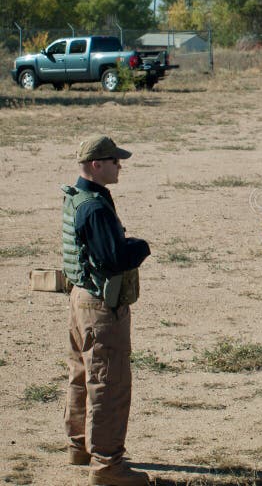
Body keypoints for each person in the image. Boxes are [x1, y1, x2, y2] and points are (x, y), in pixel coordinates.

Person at [62, 135, 151, 486]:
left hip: (80, 297)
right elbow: (114, 260)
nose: (120, 165)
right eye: (115, 160)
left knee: (81, 375)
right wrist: (140, 247)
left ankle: (79, 445)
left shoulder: (78, 197)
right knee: (108, 383)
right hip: (101, 306)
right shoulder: (95, 207)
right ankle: (107, 464)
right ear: (96, 165)